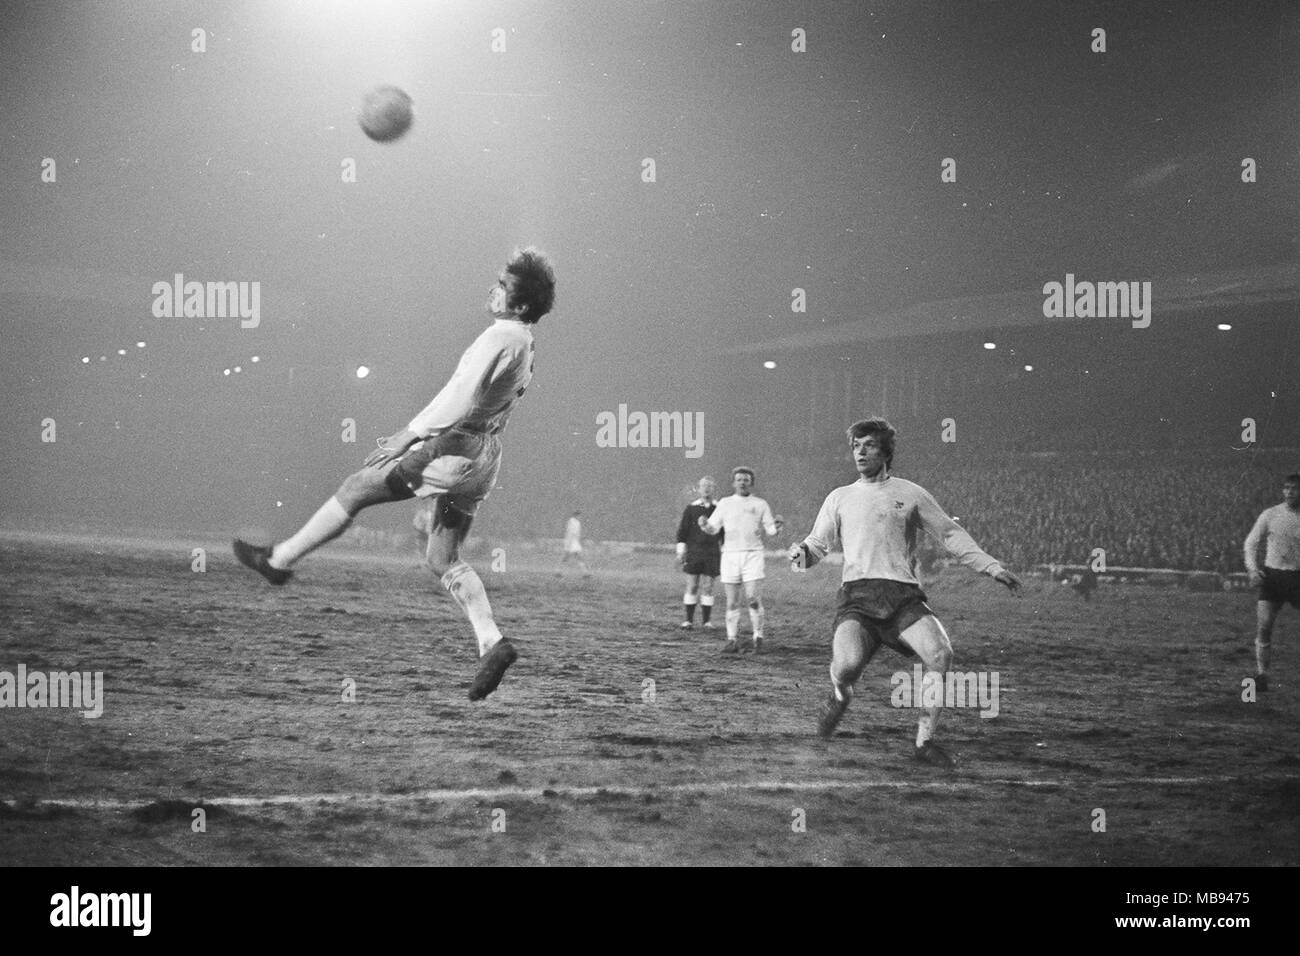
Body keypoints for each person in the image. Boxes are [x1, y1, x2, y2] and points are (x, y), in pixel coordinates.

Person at [232, 248, 556, 701]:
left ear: (520, 304)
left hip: (454, 446)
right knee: (442, 558)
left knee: (356, 488)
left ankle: (279, 562)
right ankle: (492, 642)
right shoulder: (522, 339)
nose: (493, 288)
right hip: (484, 457)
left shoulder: (501, 336)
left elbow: (460, 396)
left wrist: (410, 434)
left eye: (502, 284)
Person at [789, 417, 1021, 768]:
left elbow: (949, 535)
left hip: (902, 597)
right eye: (855, 446)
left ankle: (924, 743)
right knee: (848, 666)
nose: (860, 452)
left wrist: (991, 566)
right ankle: (839, 695)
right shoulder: (840, 497)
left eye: (868, 445)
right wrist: (801, 556)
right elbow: (817, 546)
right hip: (858, 598)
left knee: (940, 654)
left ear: (886, 451)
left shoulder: (910, 494)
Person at [698, 467, 783, 653]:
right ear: (733, 483)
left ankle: (758, 637)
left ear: (751, 482)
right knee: (732, 602)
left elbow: (770, 529)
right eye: (739, 479)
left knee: (752, 597)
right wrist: (704, 525)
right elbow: (713, 528)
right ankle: (732, 640)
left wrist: (776, 528)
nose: (742, 482)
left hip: (753, 554)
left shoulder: (760, 504)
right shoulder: (725, 503)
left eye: (746, 479)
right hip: (730, 555)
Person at [1243, 473, 1300, 692]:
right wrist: (1252, 570)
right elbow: (1250, 543)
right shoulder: (1271, 514)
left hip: (1298, 577)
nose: (1289, 492)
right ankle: (1262, 675)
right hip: (1273, 577)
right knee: (1264, 627)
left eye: (1294, 488)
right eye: (1286, 488)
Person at [675, 477, 722, 630]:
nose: (706, 489)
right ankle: (688, 620)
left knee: (708, 586)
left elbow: (724, 532)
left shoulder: (720, 508)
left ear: (714, 488)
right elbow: (682, 532)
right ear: (698, 488)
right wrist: (681, 551)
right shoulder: (691, 508)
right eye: (703, 486)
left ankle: (706, 622)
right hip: (694, 552)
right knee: (692, 585)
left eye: (709, 486)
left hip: (712, 552)